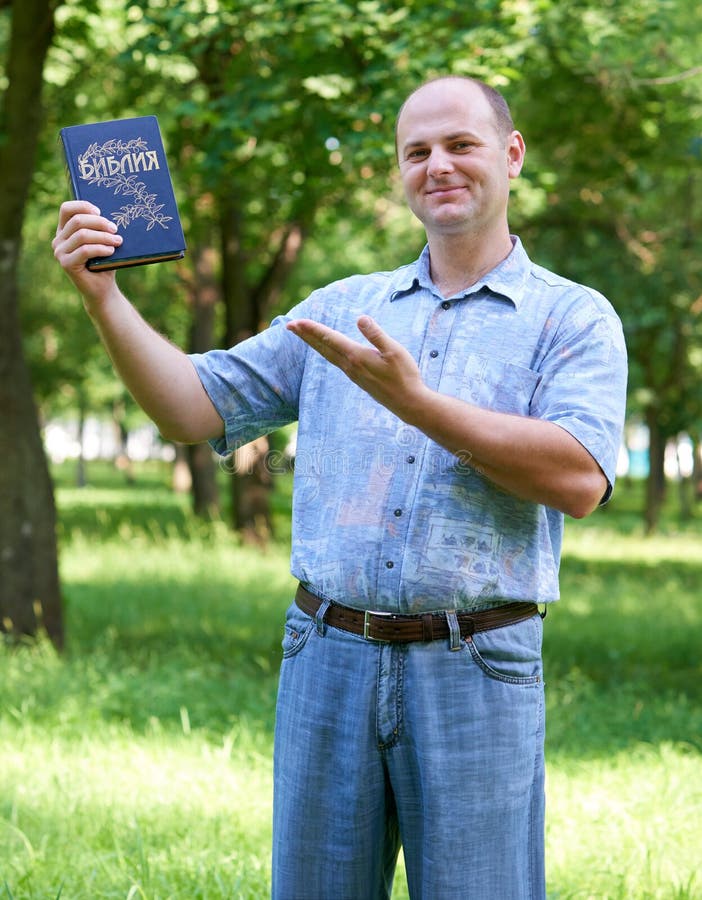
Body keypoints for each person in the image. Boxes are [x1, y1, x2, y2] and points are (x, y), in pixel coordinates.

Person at [53, 75, 627, 900]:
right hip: (326, 656)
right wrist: (103, 299)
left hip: (477, 666)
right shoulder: (340, 309)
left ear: (512, 155)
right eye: (416, 152)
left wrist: (419, 406)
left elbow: (577, 477)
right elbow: (191, 406)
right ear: (399, 172)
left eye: (460, 144)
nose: (439, 165)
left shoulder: (572, 318)